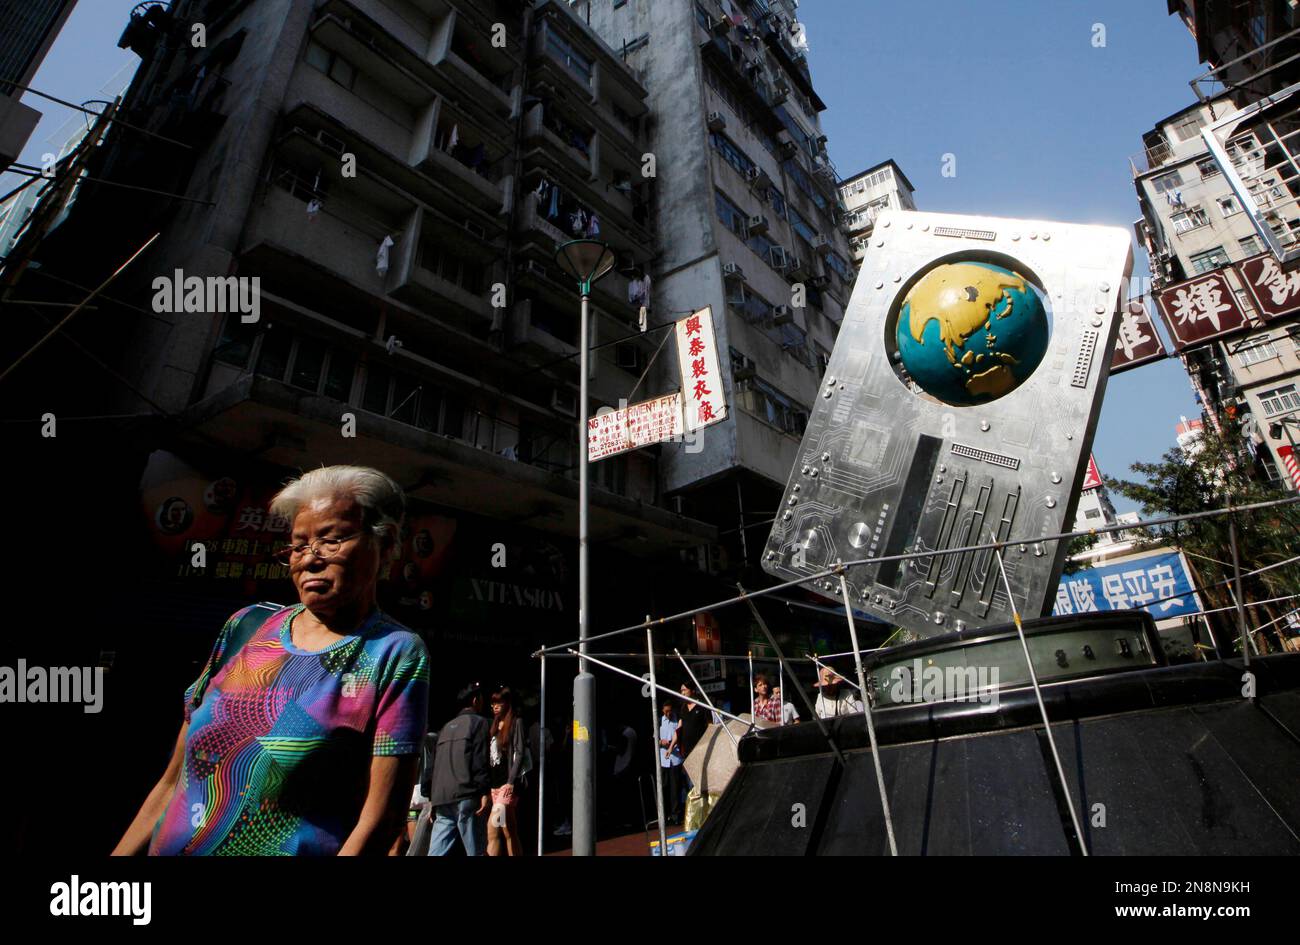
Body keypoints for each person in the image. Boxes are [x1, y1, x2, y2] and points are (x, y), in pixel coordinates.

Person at [114, 465, 430, 856]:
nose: (309, 560)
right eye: (298, 545)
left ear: (384, 542)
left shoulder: (392, 652)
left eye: (331, 541)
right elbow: (170, 783)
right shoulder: (246, 627)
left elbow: (381, 821)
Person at [427, 682, 491, 856]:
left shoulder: (445, 727)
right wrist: (484, 791)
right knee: (476, 850)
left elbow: (432, 765)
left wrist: (431, 796)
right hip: (466, 793)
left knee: (437, 851)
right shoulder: (479, 722)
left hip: (441, 797)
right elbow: (480, 759)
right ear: (476, 700)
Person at [487, 686, 527, 856]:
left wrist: (511, 781)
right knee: (509, 830)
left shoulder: (516, 722)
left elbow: (519, 752)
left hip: (507, 784)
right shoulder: (494, 724)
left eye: (498, 703)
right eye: (493, 703)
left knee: (492, 828)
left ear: (507, 703)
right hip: (495, 784)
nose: (495, 706)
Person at [657, 701, 684, 825]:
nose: (668, 713)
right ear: (662, 710)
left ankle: (675, 815)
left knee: (675, 788)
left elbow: (680, 736)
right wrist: (660, 742)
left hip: (675, 759)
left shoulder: (677, 719)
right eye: (666, 711)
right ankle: (665, 814)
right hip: (663, 759)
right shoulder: (659, 721)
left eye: (670, 711)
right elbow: (654, 739)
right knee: (664, 787)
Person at [676, 682, 711, 760]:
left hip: (701, 749)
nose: (682, 693)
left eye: (684, 690)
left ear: (692, 691)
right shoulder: (683, 708)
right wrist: (671, 747)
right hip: (686, 751)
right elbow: (678, 728)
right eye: (681, 691)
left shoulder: (703, 706)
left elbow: (710, 727)